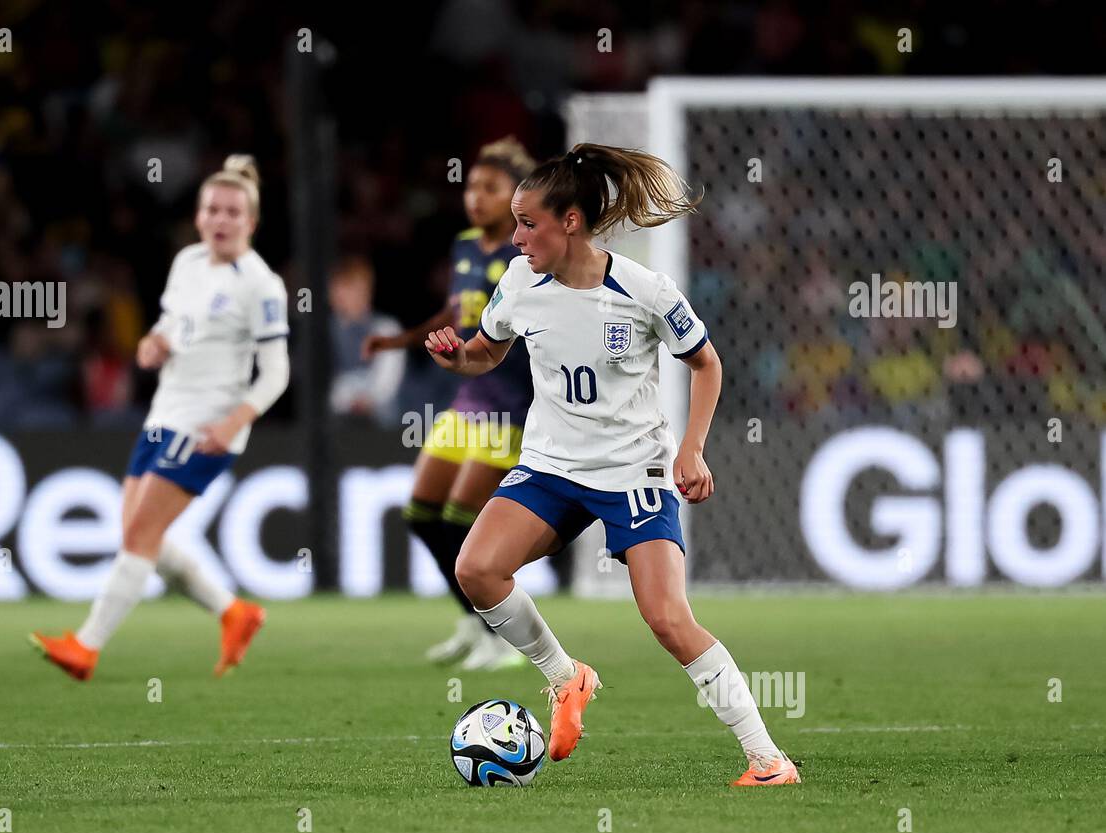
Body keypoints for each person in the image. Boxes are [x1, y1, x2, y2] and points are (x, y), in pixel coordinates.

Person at [427, 143, 800, 786]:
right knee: (477, 568)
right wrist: (458, 356)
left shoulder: (644, 290)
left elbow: (706, 362)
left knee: (666, 618)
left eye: (528, 223)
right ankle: (565, 677)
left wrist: (691, 448)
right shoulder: (518, 283)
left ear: (570, 222)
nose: (515, 238)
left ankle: (767, 760)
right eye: (514, 223)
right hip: (549, 466)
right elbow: (487, 353)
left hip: (633, 473)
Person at [30, 155, 290, 681]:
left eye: (232, 212)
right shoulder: (189, 262)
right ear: (198, 216)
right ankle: (234, 612)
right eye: (212, 209)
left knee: (139, 536)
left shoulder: (262, 285)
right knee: (137, 532)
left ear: (251, 223)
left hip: (205, 427)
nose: (220, 219)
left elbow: (276, 373)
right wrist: (156, 342)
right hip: (163, 415)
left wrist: (234, 421)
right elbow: (175, 321)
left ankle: (86, 646)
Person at [363, 136, 537, 670]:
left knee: (462, 518)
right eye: (471, 187)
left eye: (490, 188)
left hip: (509, 407)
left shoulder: (528, 253)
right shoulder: (465, 245)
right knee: (420, 514)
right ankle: (472, 622)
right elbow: (455, 310)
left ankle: (502, 637)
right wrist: (398, 341)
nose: (475, 197)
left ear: (516, 197)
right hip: (467, 400)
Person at [328, 256, 406, 425]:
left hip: (380, 426)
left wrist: (366, 401)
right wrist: (345, 401)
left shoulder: (386, 329)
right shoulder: (323, 333)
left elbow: (386, 384)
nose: (345, 296)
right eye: (340, 288)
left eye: (352, 288)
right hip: (334, 426)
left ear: (367, 290)